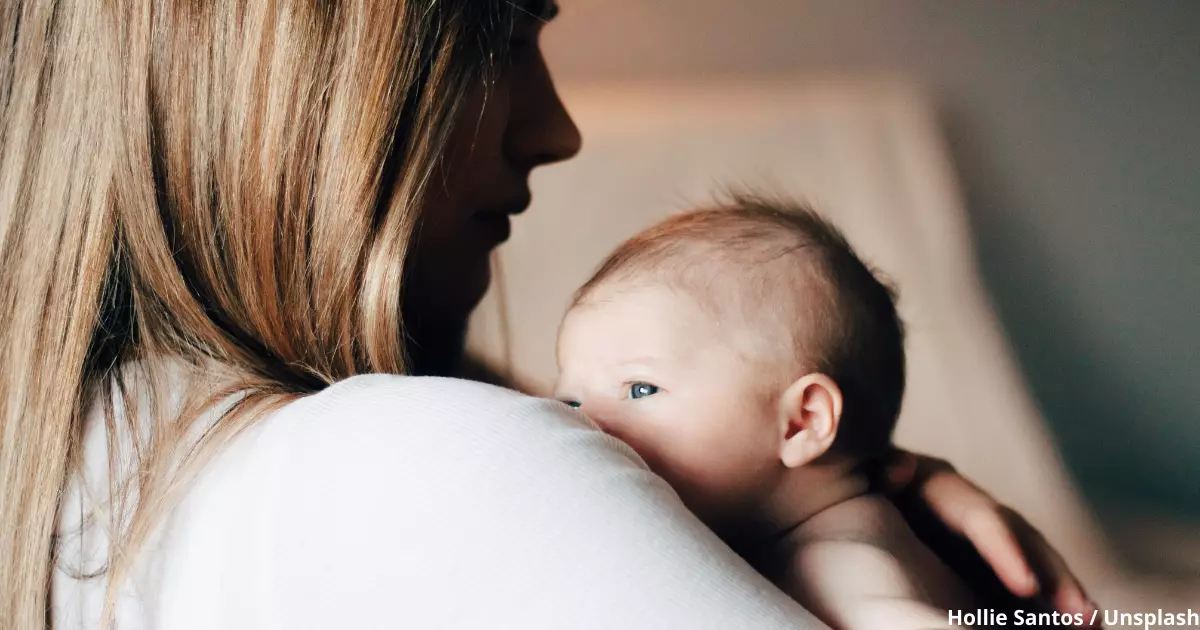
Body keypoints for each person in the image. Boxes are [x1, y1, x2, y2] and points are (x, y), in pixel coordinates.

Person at [0, 1, 1095, 628]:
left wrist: (861, 483)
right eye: (498, 33)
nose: (556, 127)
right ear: (296, 77)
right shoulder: (416, 457)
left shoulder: (85, 462)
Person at [555, 197, 982, 629]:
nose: (584, 422)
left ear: (802, 422)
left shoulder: (831, 560)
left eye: (641, 388)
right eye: (569, 402)